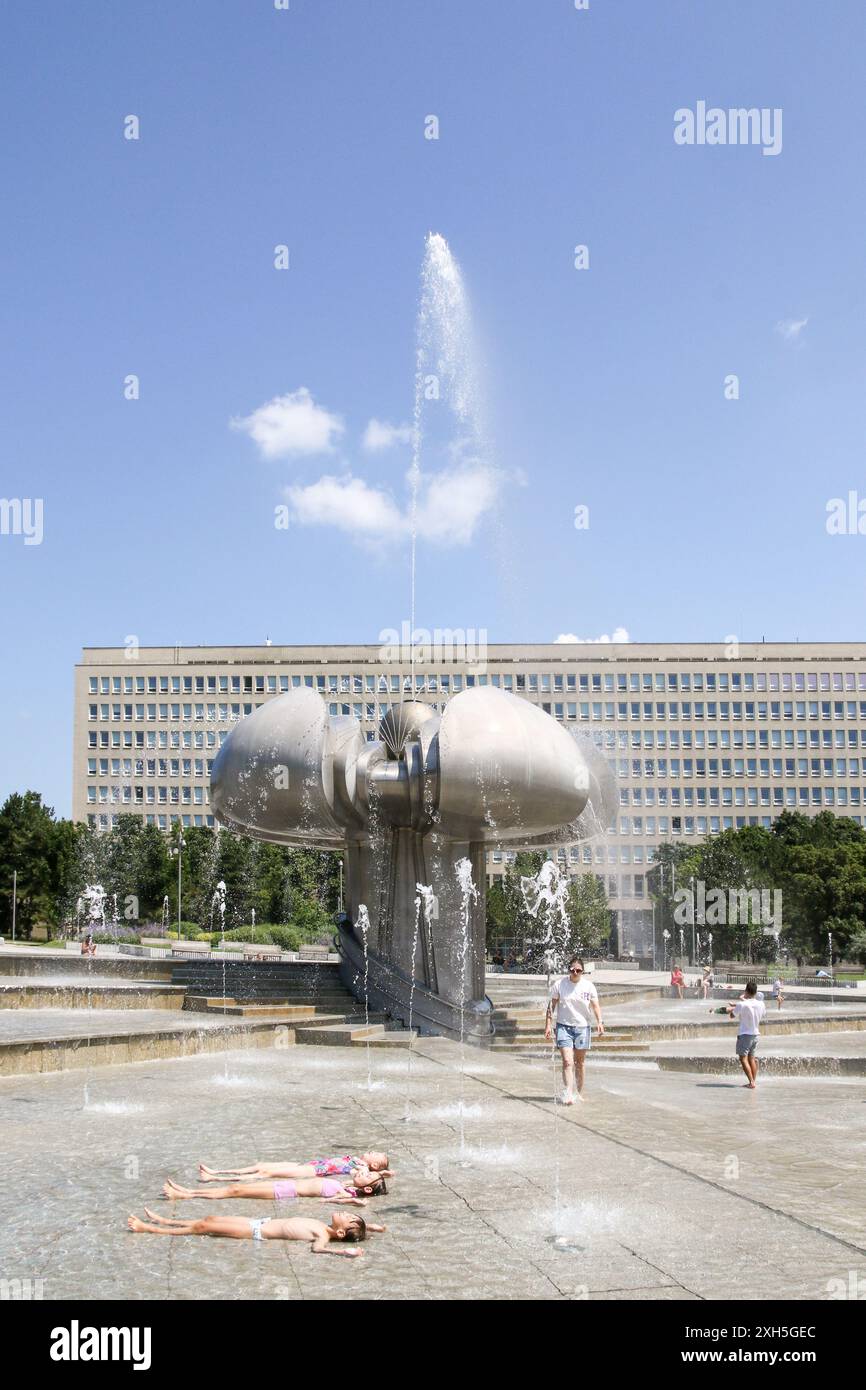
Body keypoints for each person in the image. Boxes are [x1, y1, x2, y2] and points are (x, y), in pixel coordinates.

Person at [127, 1207, 384, 1256]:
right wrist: (368, 1227)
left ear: (340, 1234)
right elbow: (355, 1228)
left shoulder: (323, 1235)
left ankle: (148, 1228)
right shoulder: (326, 1226)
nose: (344, 1214)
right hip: (258, 1220)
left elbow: (317, 1249)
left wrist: (343, 1252)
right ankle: (166, 1221)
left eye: (348, 1219)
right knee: (209, 1218)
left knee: (202, 1228)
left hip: (255, 1232)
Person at [544, 956, 605, 1104]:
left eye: (578, 970)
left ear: (583, 971)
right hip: (563, 1026)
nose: (575, 972)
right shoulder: (560, 985)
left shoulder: (589, 987)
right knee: (567, 1061)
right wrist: (548, 1024)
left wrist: (600, 1022)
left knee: (580, 1062)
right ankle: (568, 1093)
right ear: (569, 970)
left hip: (583, 1027)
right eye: (573, 969)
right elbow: (551, 1006)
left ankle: (579, 1092)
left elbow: (595, 1005)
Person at [163, 1173, 385, 1204]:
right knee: (235, 1187)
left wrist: (356, 1201)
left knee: (235, 1192)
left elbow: (338, 1201)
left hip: (285, 1192)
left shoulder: (345, 1193)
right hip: (285, 1185)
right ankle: (188, 1191)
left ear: (366, 1189)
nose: (363, 1174)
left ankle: (184, 1195)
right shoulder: (346, 1184)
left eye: (368, 1177)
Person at [197, 1152, 392, 1183]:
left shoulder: (361, 1168)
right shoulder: (357, 1159)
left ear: (373, 1163)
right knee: (261, 1165)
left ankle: (214, 1179)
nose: (371, 1150)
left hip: (310, 1172)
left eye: (375, 1153)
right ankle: (216, 1171)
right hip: (308, 1165)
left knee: (265, 1173)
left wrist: (382, 1173)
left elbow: (363, 1178)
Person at [727, 980, 766, 1089]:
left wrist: (735, 1007)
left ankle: (751, 1082)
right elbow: (763, 1014)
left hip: (744, 1034)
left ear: (746, 991)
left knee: (743, 1059)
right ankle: (753, 1081)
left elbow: (731, 1016)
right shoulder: (761, 1004)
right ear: (755, 992)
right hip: (755, 1034)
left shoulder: (742, 1004)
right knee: (751, 1058)